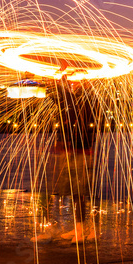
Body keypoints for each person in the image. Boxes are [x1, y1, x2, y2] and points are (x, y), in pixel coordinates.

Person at [39, 77, 99, 242]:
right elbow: (63, 101)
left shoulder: (86, 95)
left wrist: (60, 79)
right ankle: (76, 228)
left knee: (78, 192)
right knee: (67, 191)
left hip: (80, 151)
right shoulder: (75, 97)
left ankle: (82, 230)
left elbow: (68, 101)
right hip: (70, 149)